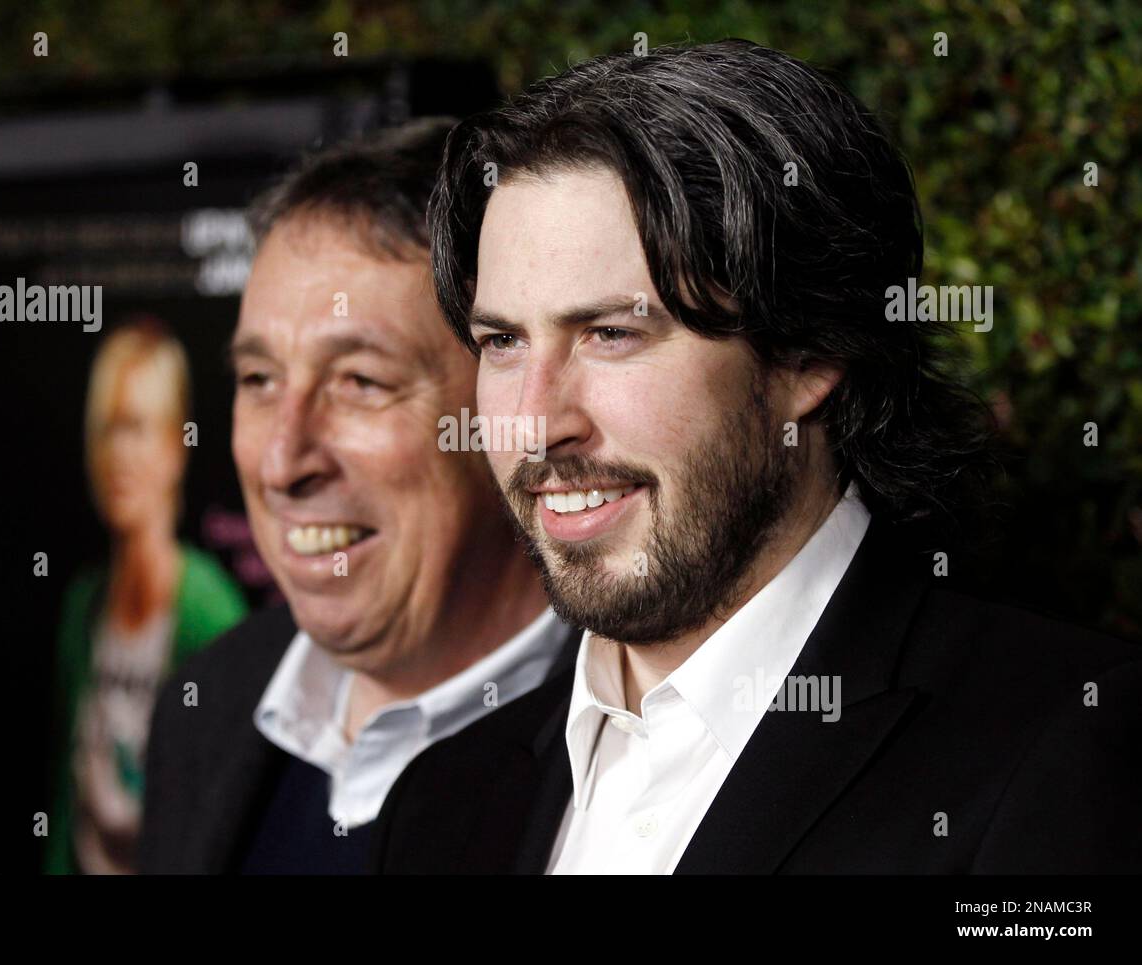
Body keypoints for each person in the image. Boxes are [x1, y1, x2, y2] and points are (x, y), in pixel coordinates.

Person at [370, 41, 1142, 874]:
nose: (534, 424)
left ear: (807, 354)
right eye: (503, 341)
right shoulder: (442, 800)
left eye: (612, 334)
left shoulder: (1067, 749)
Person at [139, 119, 578, 874]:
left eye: (360, 382)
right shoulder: (206, 700)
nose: (283, 461)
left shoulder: (627, 751)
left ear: (508, 403)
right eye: (259, 380)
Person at [47, 319, 248, 874]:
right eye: (107, 428)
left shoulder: (210, 611)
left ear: (174, 444)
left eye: (137, 427)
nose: (120, 455)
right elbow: (68, 799)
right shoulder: (83, 605)